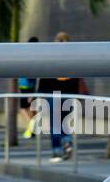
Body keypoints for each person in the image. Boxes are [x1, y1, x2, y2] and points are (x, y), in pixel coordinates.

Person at [36, 32, 89, 162]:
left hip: (53, 95)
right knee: (64, 123)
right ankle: (67, 141)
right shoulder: (73, 59)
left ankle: (57, 152)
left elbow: (44, 79)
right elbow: (76, 79)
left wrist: (38, 94)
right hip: (68, 96)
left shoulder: (50, 58)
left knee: (55, 125)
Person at [18, 36, 40, 138]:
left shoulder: (26, 53)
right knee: (30, 107)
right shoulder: (35, 55)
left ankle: (31, 124)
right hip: (30, 84)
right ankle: (32, 129)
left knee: (23, 108)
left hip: (24, 84)